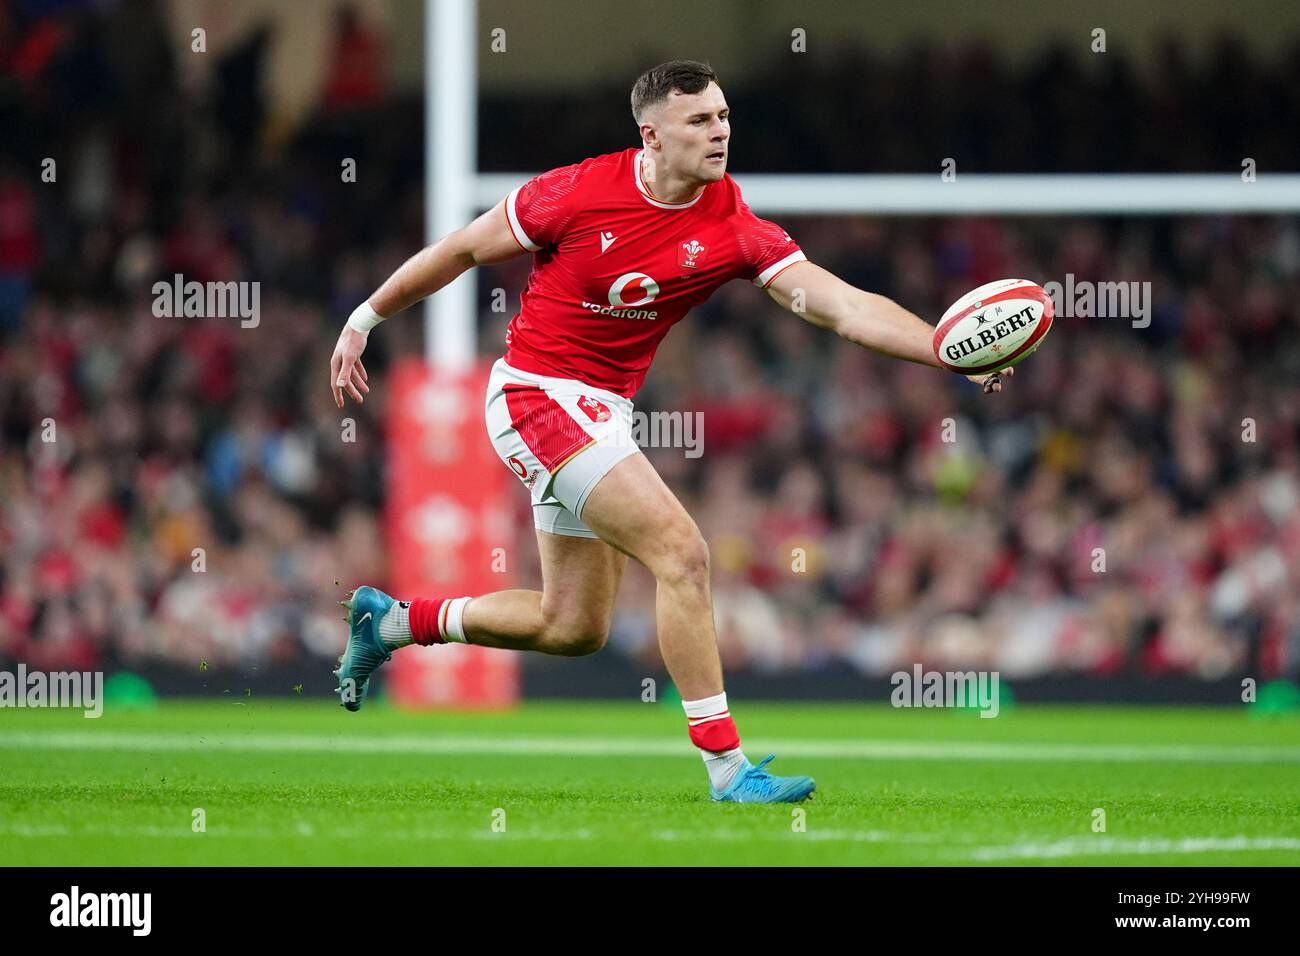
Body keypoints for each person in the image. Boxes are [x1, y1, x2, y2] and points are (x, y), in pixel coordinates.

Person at [327, 59, 1011, 804]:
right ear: (651, 135)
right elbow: (460, 249)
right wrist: (365, 320)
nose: (719, 132)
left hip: (600, 411)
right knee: (682, 552)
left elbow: (839, 306)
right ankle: (727, 770)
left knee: (571, 626)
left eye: (722, 117)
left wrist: (941, 347)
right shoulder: (578, 191)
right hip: (535, 393)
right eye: (699, 121)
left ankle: (392, 623)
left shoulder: (733, 224)